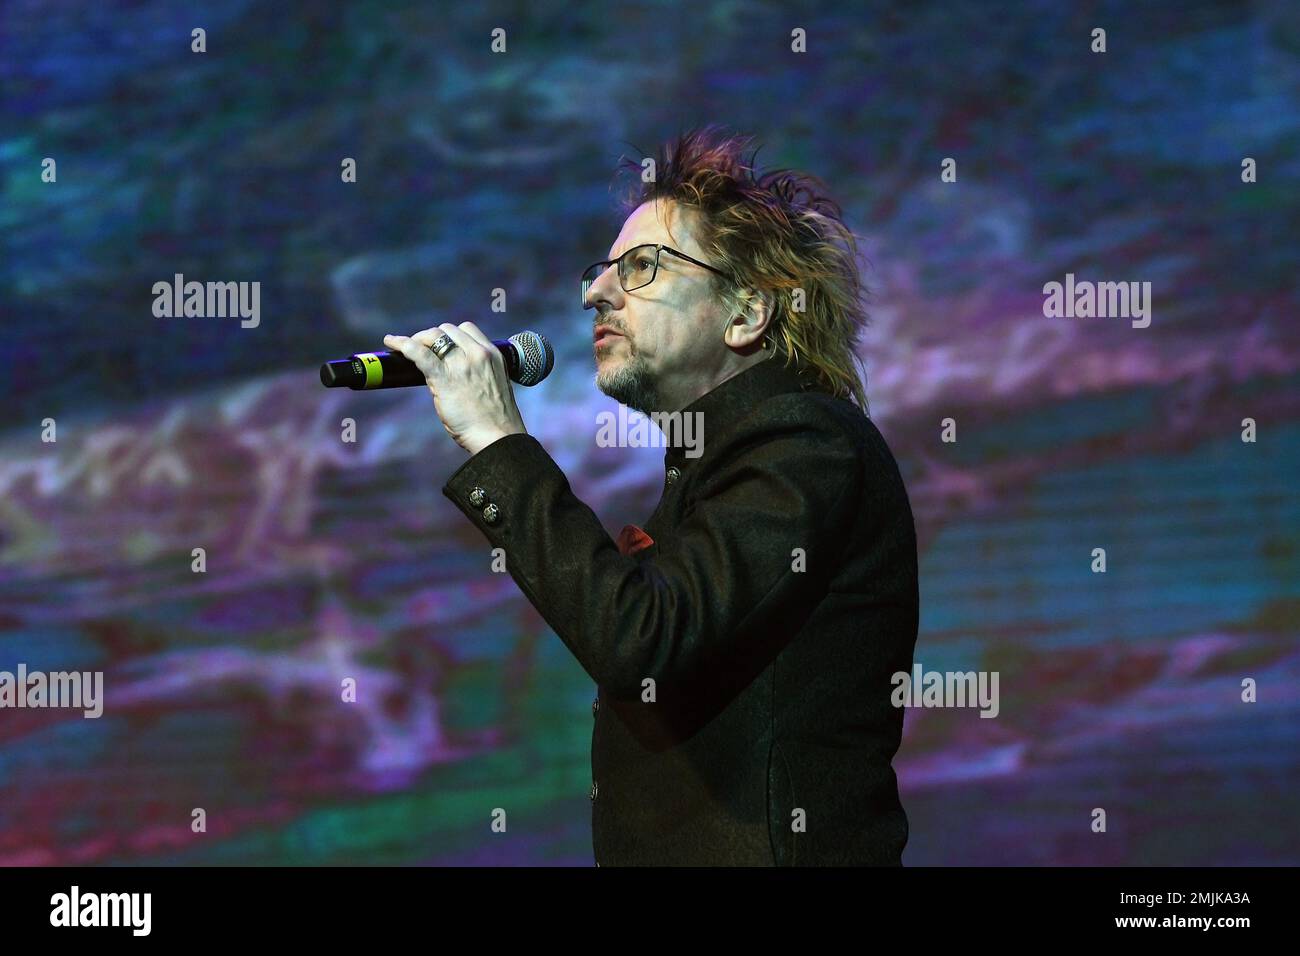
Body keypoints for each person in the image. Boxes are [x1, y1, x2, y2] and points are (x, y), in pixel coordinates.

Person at [383, 126, 919, 866]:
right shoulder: (718, 464)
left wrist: (501, 443)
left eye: (642, 267)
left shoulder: (805, 441)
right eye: (601, 272)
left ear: (747, 312)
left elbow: (646, 643)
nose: (597, 293)